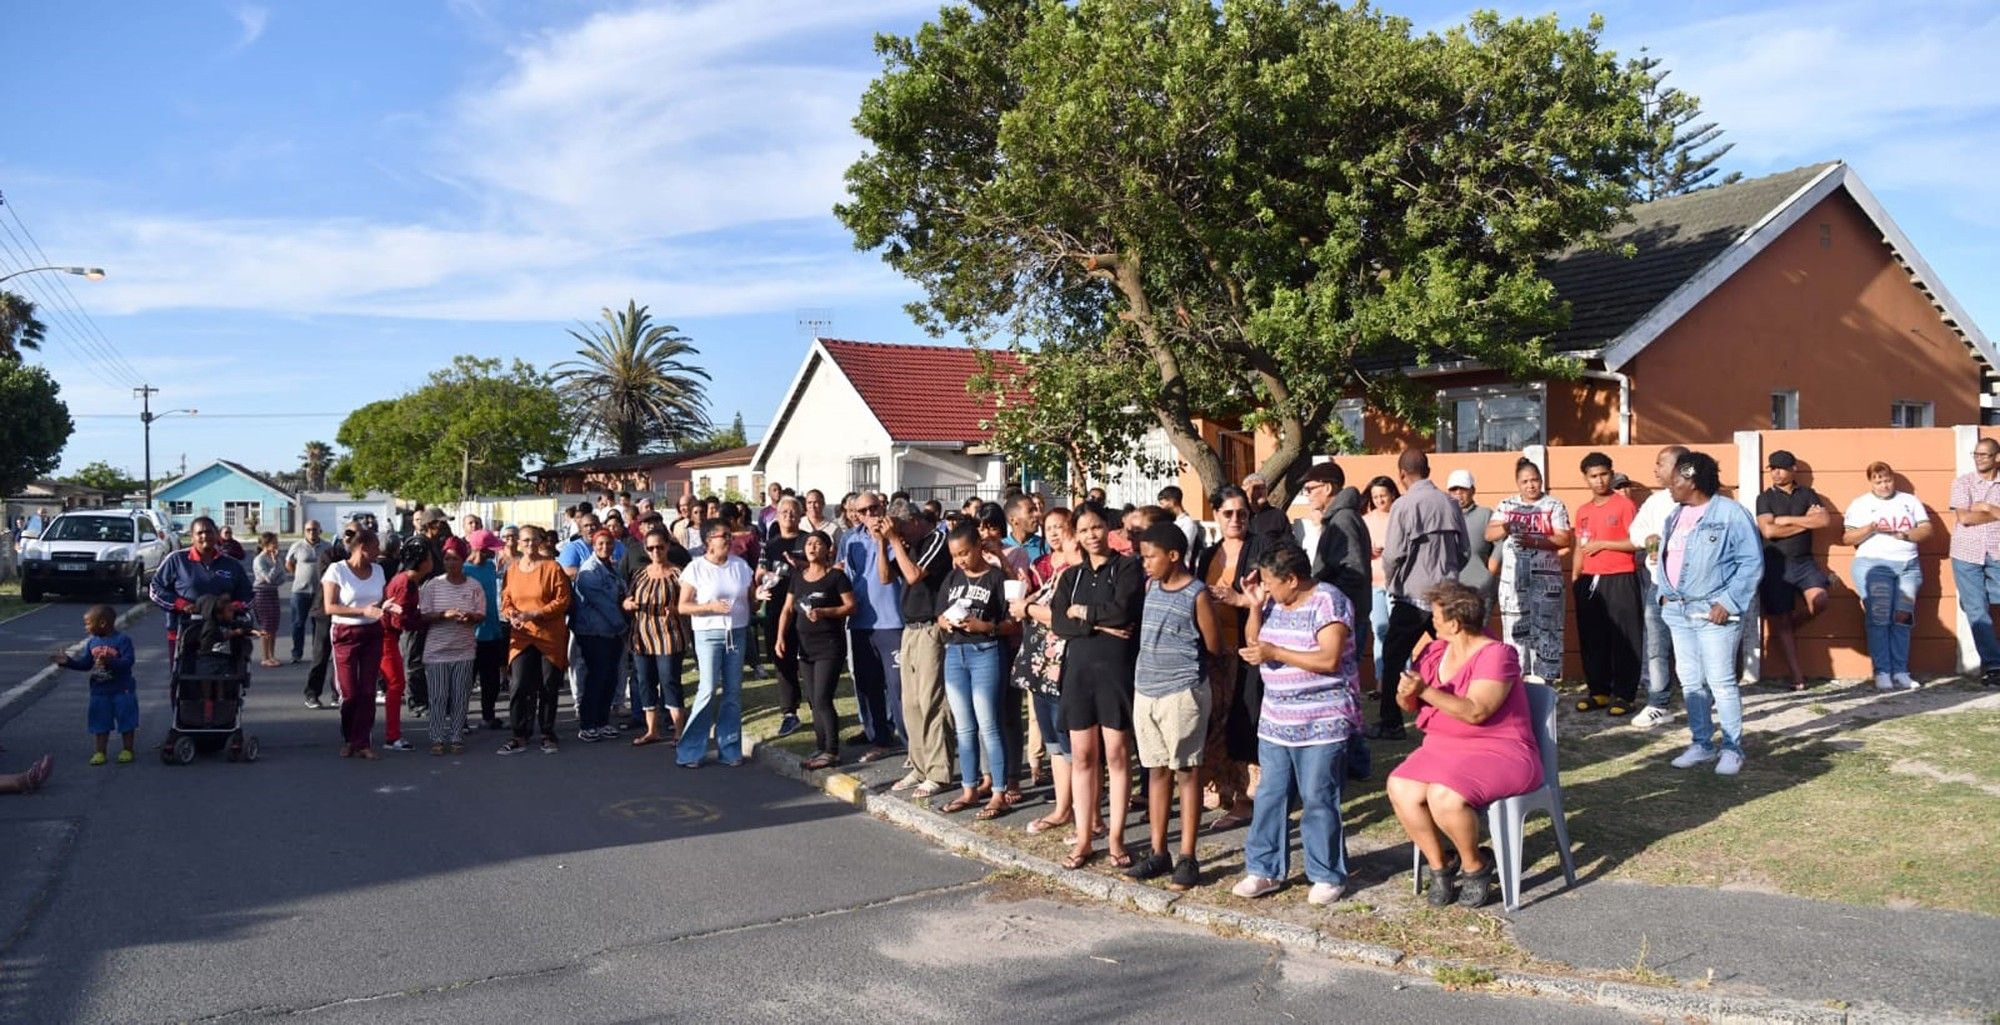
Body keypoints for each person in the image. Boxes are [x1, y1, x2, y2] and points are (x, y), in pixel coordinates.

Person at [1387, 580, 1542, 908]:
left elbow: (1476, 711)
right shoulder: (1433, 651)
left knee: (1443, 795)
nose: (1432, 620)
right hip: (1443, 747)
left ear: (1455, 624)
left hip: (1500, 749)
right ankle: (1440, 865)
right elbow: (1412, 706)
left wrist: (1425, 691)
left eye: (1437, 616)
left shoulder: (1497, 655)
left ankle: (1476, 865)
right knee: (1400, 786)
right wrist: (1407, 695)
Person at [1230, 543, 1361, 906]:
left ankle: (1326, 873)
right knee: (1270, 795)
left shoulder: (1328, 602)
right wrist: (1255, 607)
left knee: (1319, 796)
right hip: (1276, 719)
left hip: (1322, 719)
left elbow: (1330, 658)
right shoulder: (1274, 601)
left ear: (1292, 579)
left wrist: (1277, 654)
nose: (1267, 588)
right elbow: (1256, 642)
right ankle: (1264, 868)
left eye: (1271, 583)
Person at [1125, 523, 1223, 889]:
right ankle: (1157, 852)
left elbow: (1213, 645)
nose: (1144, 562)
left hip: (1182, 693)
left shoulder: (1196, 593)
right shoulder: (1151, 587)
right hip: (1146, 691)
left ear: (1173, 556)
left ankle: (1187, 856)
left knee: (1187, 772)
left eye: (1150, 556)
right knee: (1156, 771)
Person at [1051, 504, 1145, 870]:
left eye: (1098, 527)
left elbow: (1123, 611)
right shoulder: (1071, 576)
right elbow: (1060, 621)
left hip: (1115, 672)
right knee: (1084, 756)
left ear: (1109, 528)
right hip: (1078, 673)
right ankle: (1085, 837)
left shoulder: (1126, 567)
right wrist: (1098, 624)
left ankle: (1117, 838)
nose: (1092, 535)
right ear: (1076, 533)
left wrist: (1084, 613)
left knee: (1118, 755)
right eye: (1085, 529)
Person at [1658, 451, 1763, 776]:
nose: (1669, 484)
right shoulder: (1674, 516)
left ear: (1691, 480)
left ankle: (1733, 748)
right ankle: (1702, 744)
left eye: (1675, 478)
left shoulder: (1731, 514)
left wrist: (1729, 602)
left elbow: (1751, 562)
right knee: (1690, 681)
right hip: (1678, 611)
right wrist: (1664, 592)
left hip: (1714, 612)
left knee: (1720, 681)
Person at [1375, 451, 1470, 740]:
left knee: (1393, 658)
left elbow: (1392, 555)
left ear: (1402, 474)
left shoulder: (1403, 505)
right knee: (1456, 656)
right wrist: (1448, 573)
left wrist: (1394, 583)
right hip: (1446, 595)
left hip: (1412, 597)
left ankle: (1391, 723)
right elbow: (1464, 551)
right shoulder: (1450, 503)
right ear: (1428, 469)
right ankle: (1459, 712)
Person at [1193, 487, 1263, 831]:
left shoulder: (1261, 549)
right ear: (1216, 516)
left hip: (1248, 649)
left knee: (1243, 720)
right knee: (1214, 720)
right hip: (1214, 651)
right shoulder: (1208, 555)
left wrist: (1240, 600)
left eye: (1242, 513)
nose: (1236, 519)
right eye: (1228, 513)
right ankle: (1221, 787)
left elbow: (1275, 595)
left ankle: (1246, 799)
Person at [934, 522, 1014, 818]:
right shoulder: (952, 577)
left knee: (988, 725)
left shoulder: (995, 578)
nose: (960, 560)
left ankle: (999, 792)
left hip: (986, 652)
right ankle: (969, 788)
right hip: (955, 652)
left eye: (965, 552)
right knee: (964, 727)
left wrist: (986, 627)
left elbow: (1012, 622)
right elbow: (939, 614)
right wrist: (946, 622)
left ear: (979, 546)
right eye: (955, 555)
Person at [1013, 506, 1082, 835]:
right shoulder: (1042, 566)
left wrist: (1027, 607)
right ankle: (1061, 807)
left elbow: (1060, 615)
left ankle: (1084, 813)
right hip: (1039, 663)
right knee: (1053, 741)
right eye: (1048, 528)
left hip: (1065, 662)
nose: (1053, 533)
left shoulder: (1080, 569)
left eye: (1060, 527)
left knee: (1070, 739)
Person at [1843, 461, 1933, 692]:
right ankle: (1882, 671)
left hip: (1908, 566)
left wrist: (1905, 535)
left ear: (1893, 479)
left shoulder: (1909, 501)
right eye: (1878, 481)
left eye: (1887, 480)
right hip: (1874, 565)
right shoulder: (1861, 504)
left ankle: (1901, 671)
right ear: (1871, 482)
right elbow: (1847, 538)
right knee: (1879, 617)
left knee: (1903, 617)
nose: (1884, 485)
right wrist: (1870, 528)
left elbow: (1926, 530)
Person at [885, 501, 953, 795]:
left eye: (901, 528)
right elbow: (886, 577)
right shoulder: (905, 543)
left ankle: (938, 771)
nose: (899, 535)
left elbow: (913, 576)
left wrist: (893, 541)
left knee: (931, 701)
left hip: (931, 628)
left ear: (914, 521)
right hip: (909, 628)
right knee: (910, 702)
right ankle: (919, 765)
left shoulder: (936, 539)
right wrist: (881, 543)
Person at [1488, 457, 1571, 688]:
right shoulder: (1507, 505)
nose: (1530, 485)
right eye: (1525, 481)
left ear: (1541, 480)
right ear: (1517, 483)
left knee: (1548, 631)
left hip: (1546, 582)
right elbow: (1489, 534)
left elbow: (1565, 539)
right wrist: (1506, 526)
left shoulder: (1554, 505)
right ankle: (1517, 684)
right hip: (1514, 583)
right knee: (1515, 633)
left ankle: (1546, 685)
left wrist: (1534, 540)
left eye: (1534, 480)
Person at [677, 522, 754, 768]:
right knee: (708, 689)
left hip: (737, 632)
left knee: (733, 693)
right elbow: (683, 606)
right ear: (709, 540)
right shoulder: (695, 568)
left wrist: (760, 594)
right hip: (708, 634)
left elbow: (750, 599)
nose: (729, 540)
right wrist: (709, 607)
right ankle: (690, 750)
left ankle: (730, 748)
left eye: (730, 535)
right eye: (724, 536)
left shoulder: (740, 566)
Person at [1755, 450, 1834, 692]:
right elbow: (1768, 532)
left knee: (1820, 600)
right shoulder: (1764, 498)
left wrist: (1785, 520)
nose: (1775, 472)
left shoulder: (1808, 494)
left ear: (1793, 469)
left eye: (1780, 467)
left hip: (1804, 561)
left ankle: (1791, 626)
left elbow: (1823, 522)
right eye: (1772, 468)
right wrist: (1802, 521)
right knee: (1782, 617)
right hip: (1775, 564)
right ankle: (1797, 676)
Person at [1572, 452, 1643, 716]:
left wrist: (1604, 544)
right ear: (1586, 479)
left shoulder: (1624, 506)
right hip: (1590, 581)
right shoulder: (1583, 511)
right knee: (1593, 636)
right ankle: (1598, 691)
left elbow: (1636, 542)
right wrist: (1576, 577)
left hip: (1620, 577)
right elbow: (1580, 545)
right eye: (1593, 476)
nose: (1599, 481)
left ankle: (1625, 695)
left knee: (1625, 637)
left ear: (1611, 475)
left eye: (1603, 475)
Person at [777, 531, 854, 769]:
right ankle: (820, 747)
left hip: (829, 646)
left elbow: (851, 606)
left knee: (822, 698)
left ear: (828, 549)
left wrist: (825, 612)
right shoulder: (798, 577)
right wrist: (780, 636)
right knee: (813, 699)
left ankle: (832, 750)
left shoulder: (836, 577)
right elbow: (788, 609)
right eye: (809, 543)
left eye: (818, 543)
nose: (812, 547)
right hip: (804, 647)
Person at [498, 525, 573, 755]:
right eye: (525, 540)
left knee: (548, 686)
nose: (529, 544)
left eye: (533, 540)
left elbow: (563, 600)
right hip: (521, 636)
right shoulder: (512, 570)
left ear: (540, 541)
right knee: (518, 685)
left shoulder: (552, 567)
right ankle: (519, 734)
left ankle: (548, 733)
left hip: (549, 635)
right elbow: (506, 598)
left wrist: (536, 613)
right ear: (518, 543)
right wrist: (511, 615)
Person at [844, 493, 907, 763]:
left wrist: (883, 540)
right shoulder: (850, 540)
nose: (871, 514)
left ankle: (911, 743)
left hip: (892, 621)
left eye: (874, 507)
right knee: (868, 685)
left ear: (883, 506)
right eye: (864, 510)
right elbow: (846, 577)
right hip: (861, 622)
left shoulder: (895, 533)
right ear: (855, 514)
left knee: (899, 688)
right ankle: (879, 738)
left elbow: (890, 574)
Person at [1628, 446, 1688, 727]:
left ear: (1679, 467)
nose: (1655, 469)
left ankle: (1703, 699)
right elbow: (1636, 531)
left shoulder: (1702, 500)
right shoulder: (1655, 502)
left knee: (1695, 647)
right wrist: (1649, 538)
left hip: (1693, 589)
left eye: (1660, 463)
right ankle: (1658, 704)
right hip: (1658, 585)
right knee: (1656, 646)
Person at [323, 529, 392, 760]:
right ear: (362, 547)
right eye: (375, 547)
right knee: (349, 692)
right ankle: (349, 737)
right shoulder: (337, 570)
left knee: (367, 690)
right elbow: (330, 607)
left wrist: (387, 605)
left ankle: (362, 742)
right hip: (345, 632)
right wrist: (362, 610)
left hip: (372, 631)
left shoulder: (379, 570)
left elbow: (379, 600)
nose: (378, 552)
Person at [416, 537, 485, 755]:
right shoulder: (433, 585)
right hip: (437, 651)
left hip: (464, 649)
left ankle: (456, 735)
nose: (451, 563)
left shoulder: (474, 585)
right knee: (437, 696)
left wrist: (470, 617)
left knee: (460, 696)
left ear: (463, 560)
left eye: (455, 559)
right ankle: (437, 737)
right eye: (447, 559)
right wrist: (443, 615)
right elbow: (423, 615)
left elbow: (482, 614)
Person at [50, 605, 138, 765]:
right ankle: (100, 752)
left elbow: (128, 662)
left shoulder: (122, 640)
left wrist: (109, 662)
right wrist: (68, 662)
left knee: (126, 720)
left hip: (122, 689)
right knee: (99, 721)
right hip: (99, 690)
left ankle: (127, 749)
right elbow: (85, 664)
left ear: (102, 623)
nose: (86, 627)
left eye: (88, 623)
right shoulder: (92, 643)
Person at [148, 516, 254, 649]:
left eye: (209, 532)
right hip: (184, 630)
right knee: (185, 669)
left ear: (217, 535)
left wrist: (236, 606)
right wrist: (180, 604)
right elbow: (155, 588)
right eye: (200, 533)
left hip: (224, 632)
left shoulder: (231, 564)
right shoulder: (177, 560)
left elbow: (248, 594)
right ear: (192, 537)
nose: (205, 536)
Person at [627, 527, 688, 747]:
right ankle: (652, 730)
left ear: (668, 547)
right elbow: (628, 598)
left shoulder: (679, 574)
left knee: (669, 681)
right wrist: (627, 604)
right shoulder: (640, 573)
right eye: (650, 548)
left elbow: (691, 603)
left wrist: (677, 610)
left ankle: (679, 731)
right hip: (641, 636)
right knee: (645, 682)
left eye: (659, 547)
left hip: (669, 635)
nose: (655, 552)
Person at [1948, 437, 2000, 688]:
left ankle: (1972, 598)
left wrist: (1989, 507)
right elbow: (1965, 518)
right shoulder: (1963, 482)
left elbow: (1976, 514)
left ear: (1996, 457)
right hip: (1967, 553)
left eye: (1984, 455)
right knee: (1979, 610)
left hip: (1997, 552)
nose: (1979, 459)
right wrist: (1995, 515)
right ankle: (1994, 666)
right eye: (1976, 454)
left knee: (1985, 602)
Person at [572, 530, 630, 741]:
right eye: (600, 544)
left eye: (609, 543)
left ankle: (602, 721)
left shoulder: (612, 567)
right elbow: (604, 604)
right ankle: (588, 723)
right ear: (593, 546)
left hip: (612, 632)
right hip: (593, 632)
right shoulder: (588, 572)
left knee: (610, 677)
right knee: (596, 677)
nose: (605, 547)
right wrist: (623, 627)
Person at [758, 496, 807, 738]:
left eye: (793, 511)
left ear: (800, 515)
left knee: (807, 659)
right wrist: (763, 581)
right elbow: (760, 573)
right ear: (777, 516)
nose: (789, 515)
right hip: (777, 608)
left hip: (805, 608)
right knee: (782, 659)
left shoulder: (808, 540)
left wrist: (799, 565)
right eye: (784, 511)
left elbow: (820, 569)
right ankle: (790, 713)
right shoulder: (771, 544)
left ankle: (819, 707)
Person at [378, 542, 433, 752]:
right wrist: (425, 620)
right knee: (395, 684)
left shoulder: (406, 579)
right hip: (385, 636)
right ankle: (392, 736)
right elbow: (399, 620)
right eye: (429, 557)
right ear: (422, 561)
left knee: (392, 684)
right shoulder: (406, 583)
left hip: (386, 635)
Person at [464, 529, 510, 731]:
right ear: (481, 550)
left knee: (490, 678)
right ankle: (460, 718)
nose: (494, 552)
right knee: (466, 679)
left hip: (492, 630)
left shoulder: (491, 567)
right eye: (490, 549)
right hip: (470, 634)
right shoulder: (463, 570)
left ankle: (488, 716)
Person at [1446, 471, 1499, 613]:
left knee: (1478, 632)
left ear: (1473, 490)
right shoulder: (1442, 517)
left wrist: (1489, 574)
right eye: (1453, 489)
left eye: (1463, 489)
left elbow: (1500, 545)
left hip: (1479, 589)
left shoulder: (1486, 514)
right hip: (1451, 591)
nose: (1458, 493)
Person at [1362, 477, 1398, 682]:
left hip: (1397, 584)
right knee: (1380, 631)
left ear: (1392, 494)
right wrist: (1369, 550)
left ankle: (1402, 680)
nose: (1379, 500)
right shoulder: (1366, 520)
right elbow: (1358, 550)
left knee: (1399, 634)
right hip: (1374, 583)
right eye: (1375, 496)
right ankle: (1381, 681)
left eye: (1383, 495)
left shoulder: (1400, 516)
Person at [303, 538, 345, 709]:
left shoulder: (360, 558)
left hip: (347, 612)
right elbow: (327, 576)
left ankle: (338, 693)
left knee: (341, 656)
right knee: (321, 654)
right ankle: (312, 693)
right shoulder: (330, 554)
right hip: (324, 611)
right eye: (348, 535)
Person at [285, 521, 330, 663]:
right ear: (304, 531)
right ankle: (296, 654)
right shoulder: (297, 546)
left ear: (320, 531)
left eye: (314, 530)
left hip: (320, 591)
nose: (312, 532)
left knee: (319, 624)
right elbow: (289, 563)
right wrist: (298, 575)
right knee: (298, 623)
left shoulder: (327, 546)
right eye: (308, 530)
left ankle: (318, 654)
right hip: (300, 591)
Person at [251, 532, 286, 668]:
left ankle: (272, 655)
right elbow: (269, 578)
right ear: (265, 544)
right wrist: (276, 564)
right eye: (273, 542)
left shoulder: (275, 558)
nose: (276, 545)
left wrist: (276, 564)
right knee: (266, 625)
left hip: (272, 592)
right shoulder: (260, 560)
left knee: (274, 625)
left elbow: (282, 576)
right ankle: (265, 657)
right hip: (261, 593)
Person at [1157, 485, 1205, 566]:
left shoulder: (1188, 523)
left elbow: (1182, 547)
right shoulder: (1171, 521)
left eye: (1162, 503)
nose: (1161, 507)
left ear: (1172, 502)